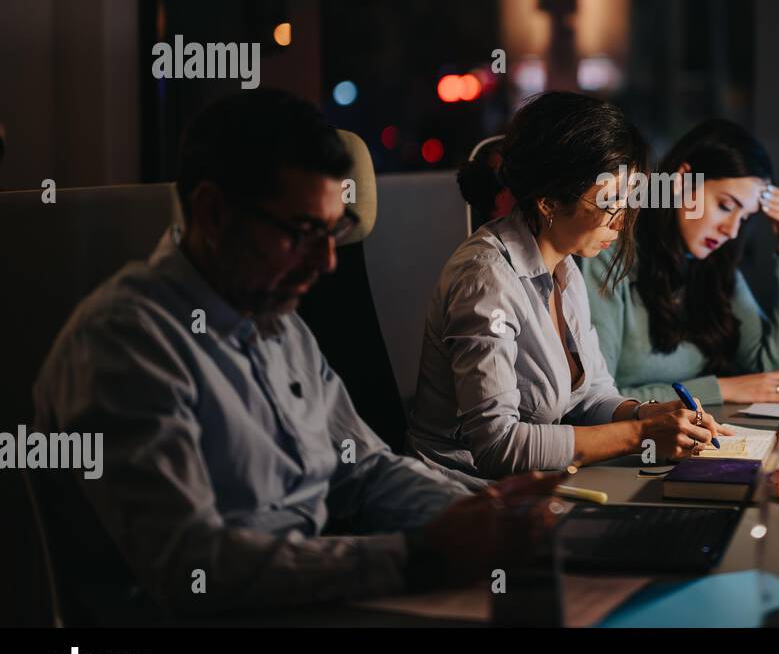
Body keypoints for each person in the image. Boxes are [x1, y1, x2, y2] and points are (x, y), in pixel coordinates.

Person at [32, 89, 558, 621]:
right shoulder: (124, 345)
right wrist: (419, 554)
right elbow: (193, 570)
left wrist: (486, 517)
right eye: (304, 232)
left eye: (334, 233)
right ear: (214, 214)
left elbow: (364, 471)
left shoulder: (280, 326)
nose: (328, 262)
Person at [409, 91, 729, 479]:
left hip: (538, 484)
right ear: (548, 202)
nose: (622, 221)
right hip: (465, 493)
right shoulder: (485, 280)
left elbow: (590, 393)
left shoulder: (564, 267)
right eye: (611, 201)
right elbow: (497, 445)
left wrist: (648, 413)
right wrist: (641, 434)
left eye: (630, 200)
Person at [581, 119, 779, 406]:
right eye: (726, 206)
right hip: (624, 447)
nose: (731, 231)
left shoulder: (713, 267)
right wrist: (722, 389)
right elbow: (595, 401)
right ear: (682, 181)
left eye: (744, 218)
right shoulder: (609, 253)